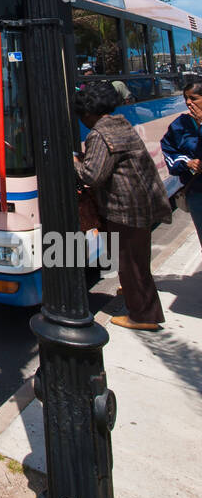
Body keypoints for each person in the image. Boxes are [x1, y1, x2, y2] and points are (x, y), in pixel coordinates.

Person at [75, 78, 171, 331]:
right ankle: (133, 295)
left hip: (125, 208)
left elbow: (91, 175)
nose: (82, 120)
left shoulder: (100, 133)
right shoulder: (118, 124)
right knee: (134, 261)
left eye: (82, 114)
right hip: (139, 204)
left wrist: (72, 161)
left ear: (90, 113)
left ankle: (144, 316)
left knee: (132, 263)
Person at [161, 80, 202, 247]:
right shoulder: (180, 125)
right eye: (186, 98)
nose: (188, 103)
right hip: (197, 192)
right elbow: (169, 151)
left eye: (194, 98)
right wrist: (187, 162)